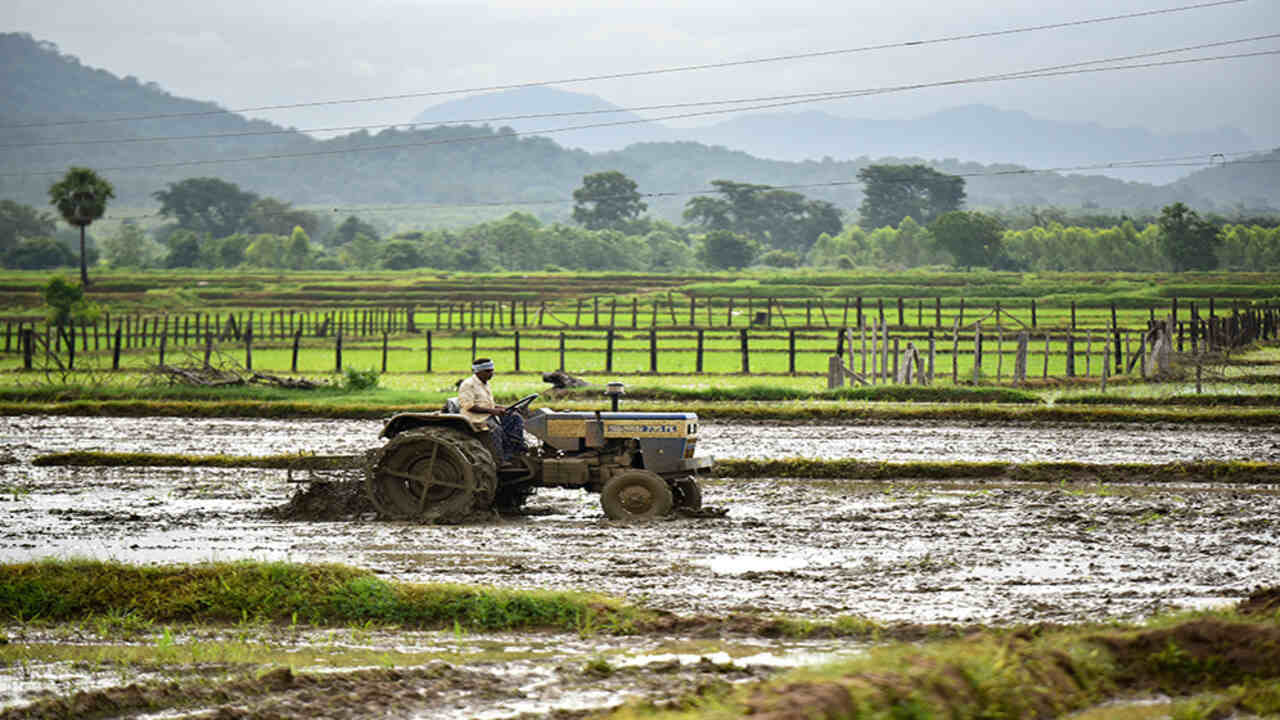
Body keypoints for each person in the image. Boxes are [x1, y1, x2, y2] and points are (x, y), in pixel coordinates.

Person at [457, 358, 526, 463]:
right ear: (478, 371)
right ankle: (500, 460)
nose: (491, 373)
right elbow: (469, 406)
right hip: (475, 418)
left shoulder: (485, 384)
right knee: (495, 428)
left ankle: (515, 451)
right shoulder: (468, 385)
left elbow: (489, 404)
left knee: (515, 418)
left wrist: (503, 408)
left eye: (492, 370)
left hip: (488, 415)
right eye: (488, 371)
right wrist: (493, 411)